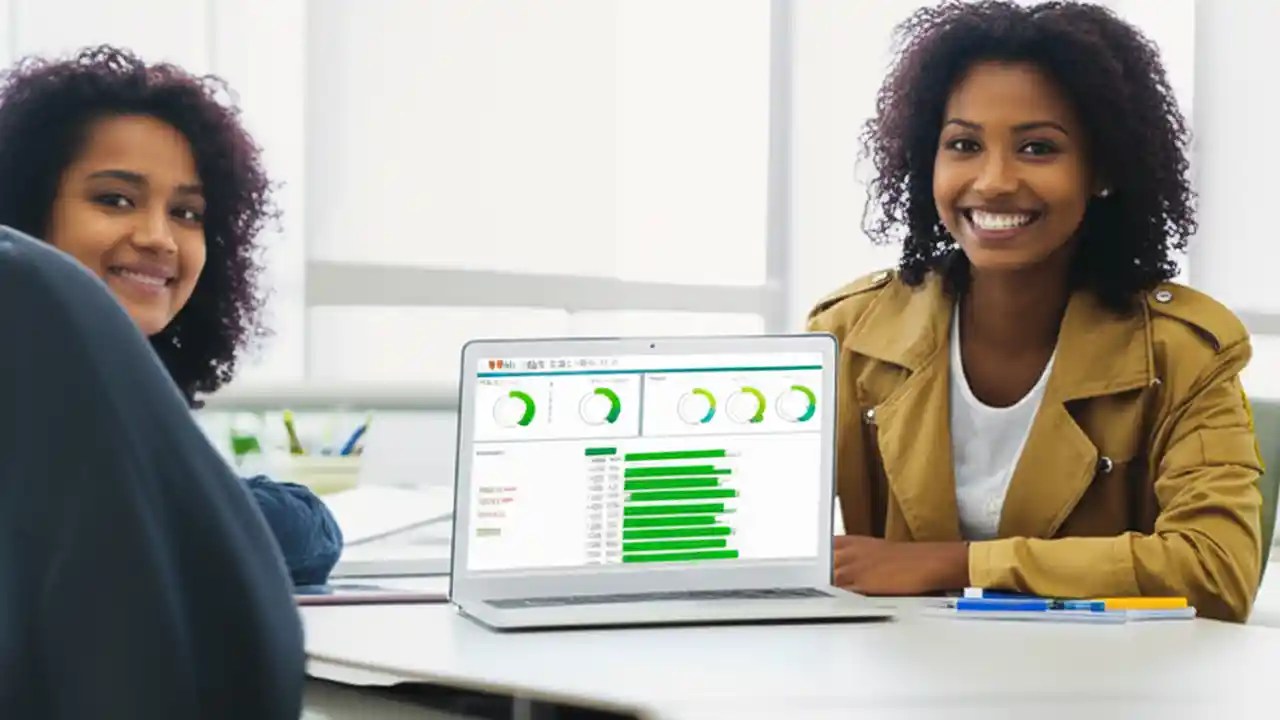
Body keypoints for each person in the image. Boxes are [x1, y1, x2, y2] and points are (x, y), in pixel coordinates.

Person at [808, 1, 1264, 621]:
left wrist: (960, 563)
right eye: (964, 143)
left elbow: (1216, 570)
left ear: (1100, 170)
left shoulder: (1183, 352)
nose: (993, 181)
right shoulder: (849, 335)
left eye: (1038, 148)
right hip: (901, 687)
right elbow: (737, 540)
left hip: (1110, 698)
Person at [0, 46, 342, 586]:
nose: (158, 238)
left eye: (186, 213)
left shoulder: (108, 388)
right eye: (115, 200)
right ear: (24, 210)